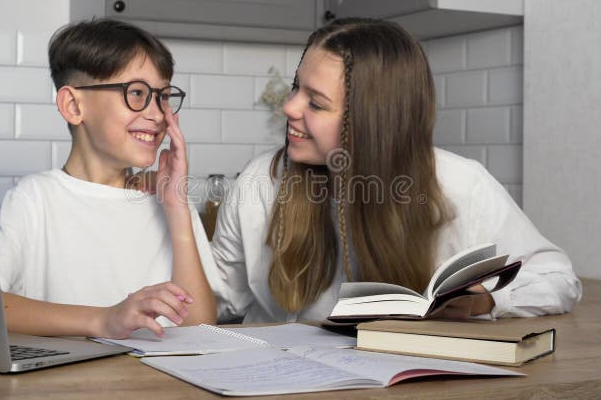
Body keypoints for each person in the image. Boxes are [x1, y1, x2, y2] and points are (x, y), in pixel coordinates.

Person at [210, 17, 582, 323]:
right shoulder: (261, 181)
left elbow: (558, 278)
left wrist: (487, 300)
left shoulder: (461, 184)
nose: (289, 108)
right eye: (296, 88)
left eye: (316, 104)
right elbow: (220, 300)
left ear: (373, 122)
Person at [0, 18, 217, 339]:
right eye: (137, 93)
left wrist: (177, 208)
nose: (157, 114)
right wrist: (105, 320)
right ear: (73, 105)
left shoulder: (170, 200)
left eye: (163, 97)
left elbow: (202, 328)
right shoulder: (35, 198)